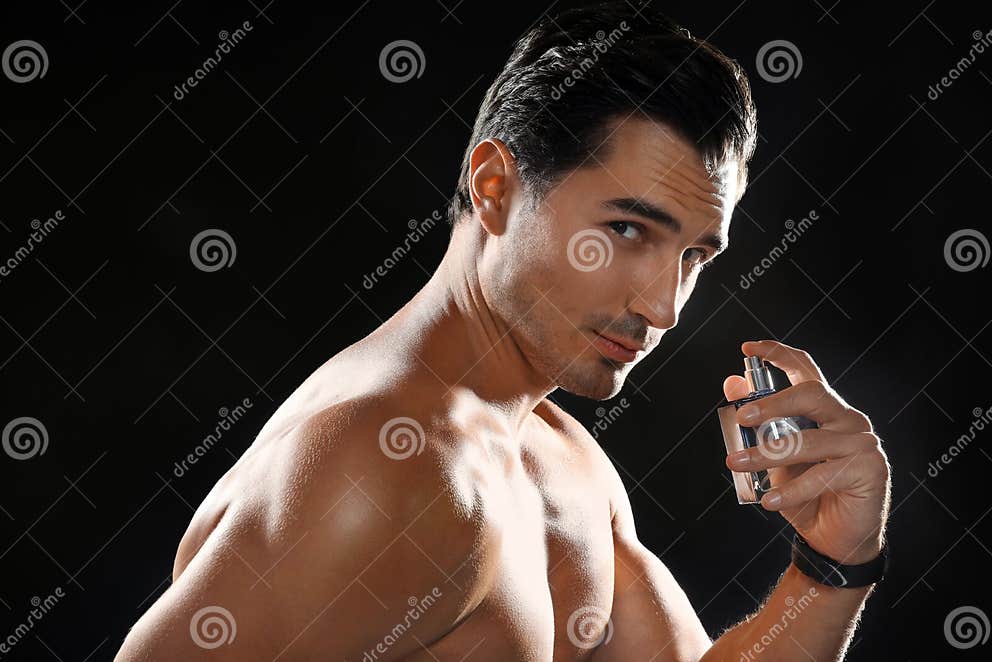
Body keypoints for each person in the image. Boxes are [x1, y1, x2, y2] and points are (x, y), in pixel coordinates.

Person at [115, 2, 890, 659]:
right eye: (626, 230)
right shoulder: (387, 464)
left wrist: (832, 562)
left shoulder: (560, 458)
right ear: (494, 188)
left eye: (693, 256)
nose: (664, 307)